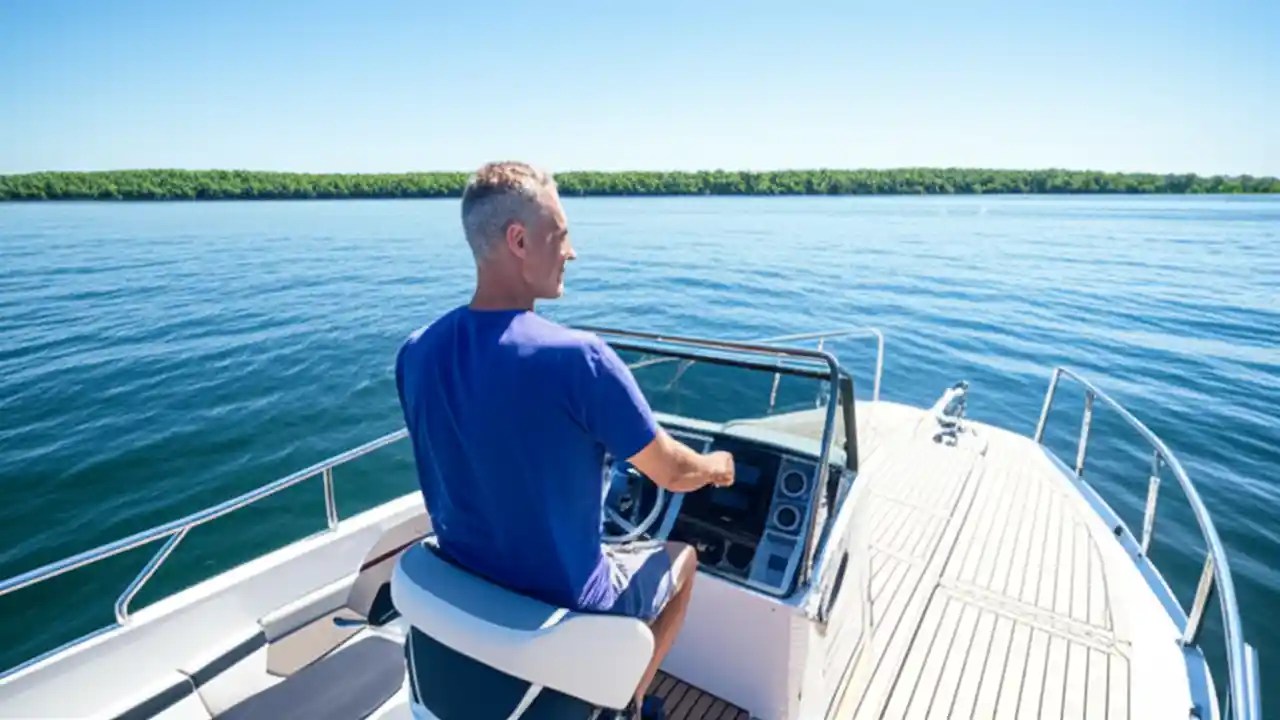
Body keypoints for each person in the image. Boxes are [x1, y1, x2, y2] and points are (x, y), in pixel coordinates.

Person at [394, 161, 734, 719]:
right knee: (686, 559)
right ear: (519, 240)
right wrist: (717, 465)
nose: (572, 252)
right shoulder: (581, 359)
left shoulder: (416, 351)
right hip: (571, 605)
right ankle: (628, 698)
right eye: (562, 234)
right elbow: (672, 471)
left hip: (470, 585)